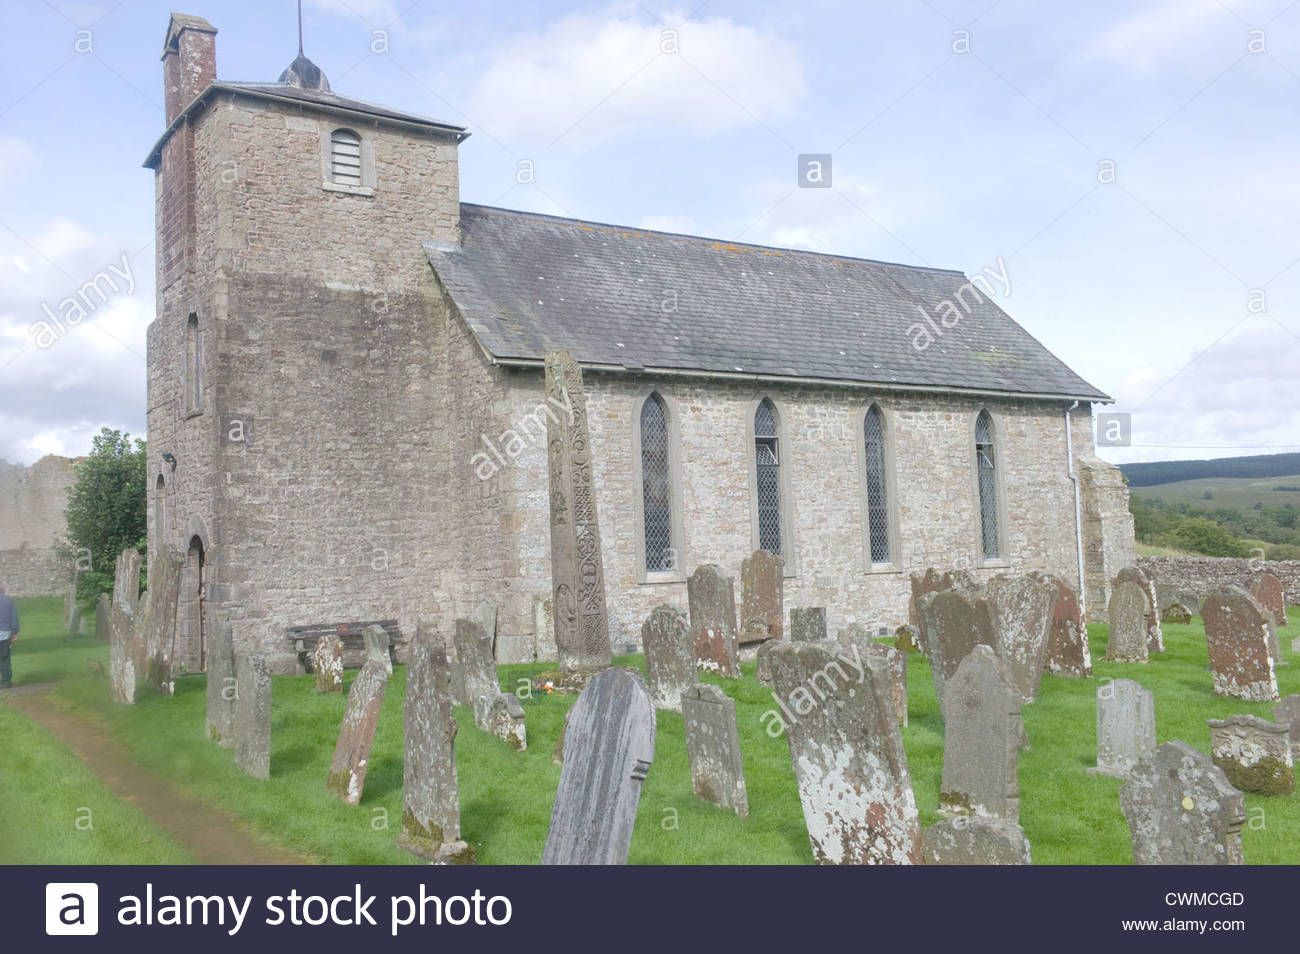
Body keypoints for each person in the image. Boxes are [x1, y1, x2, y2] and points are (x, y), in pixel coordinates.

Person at [0, 583, 18, 690]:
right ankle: (6, 682)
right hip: (5, 633)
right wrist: (14, 632)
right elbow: (14, 618)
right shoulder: (8, 601)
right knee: (5, 658)